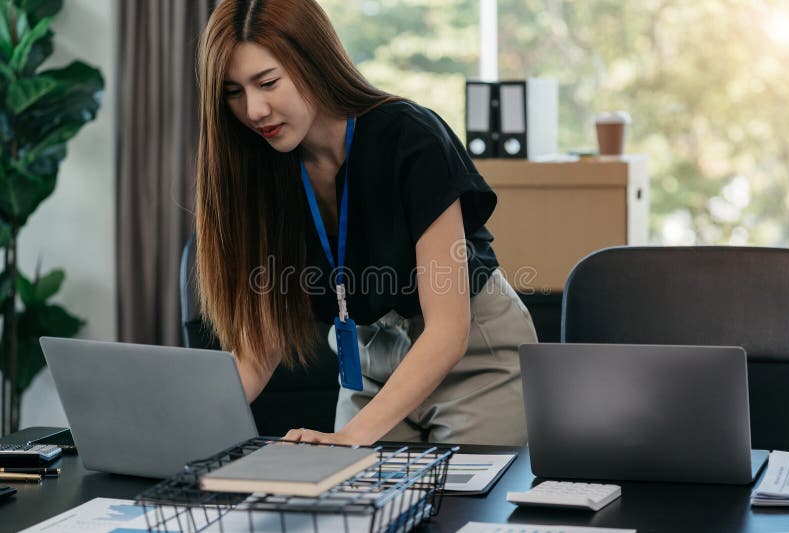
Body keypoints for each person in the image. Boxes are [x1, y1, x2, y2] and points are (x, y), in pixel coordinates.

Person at [195, 0, 538, 446]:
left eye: (268, 82)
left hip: (473, 358)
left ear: (313, 61)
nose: (255, 109)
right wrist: (190, 433)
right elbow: (259, 348)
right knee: (350, 507)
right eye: (233, 92)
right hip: (371, 367)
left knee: (459, 509)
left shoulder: (411, 138)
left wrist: (350, 438)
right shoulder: (260, 166)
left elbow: (447, 331)